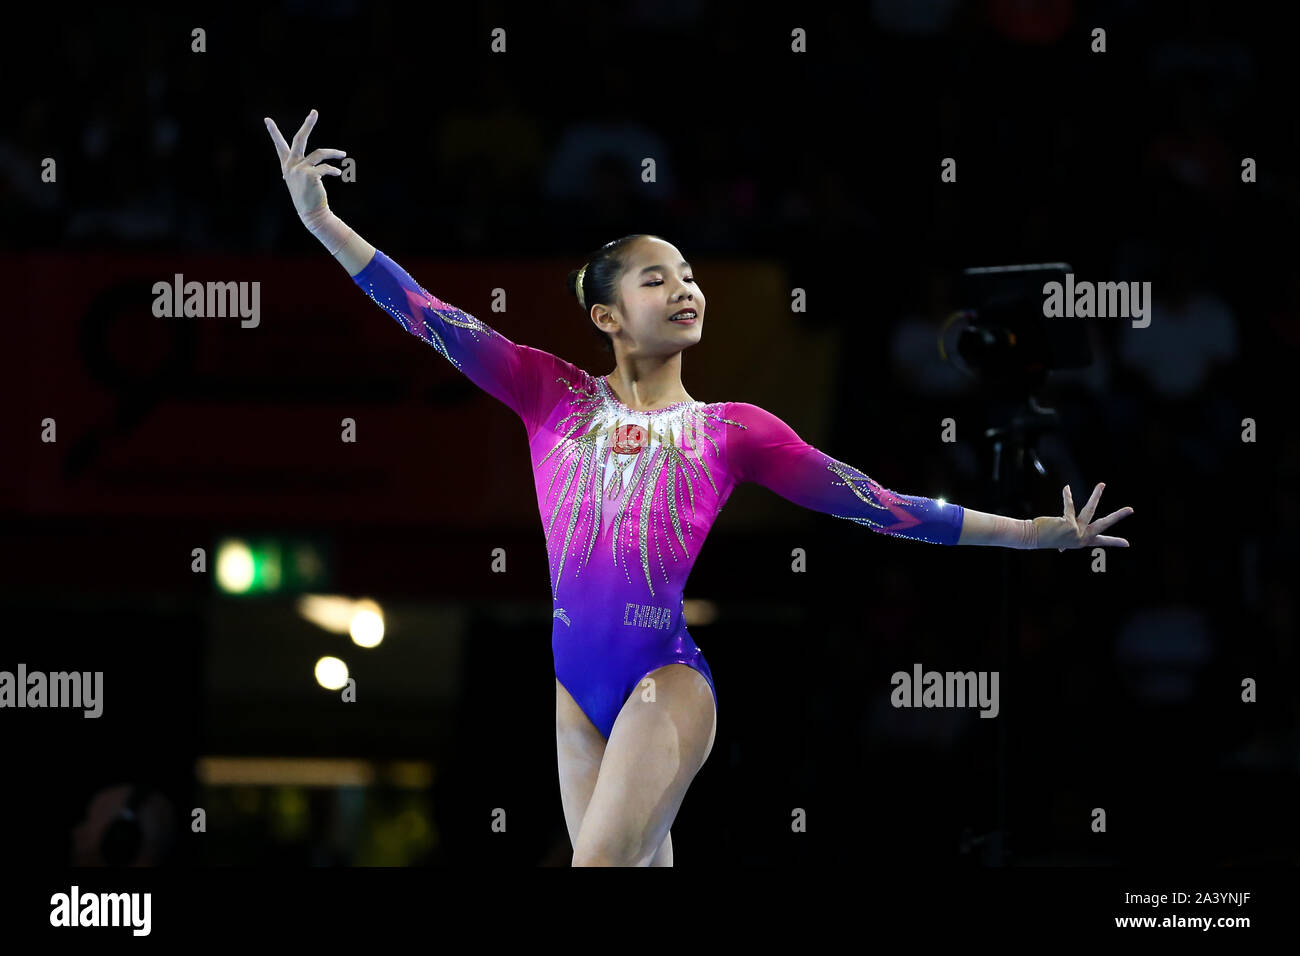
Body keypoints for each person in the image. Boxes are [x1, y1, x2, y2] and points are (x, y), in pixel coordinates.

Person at [265, 109, 1135, 867]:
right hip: (575, 690)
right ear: (606, 317)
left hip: (664, 680)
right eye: (656, 278)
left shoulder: (732, 431)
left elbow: (878, 503)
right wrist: (323, 222)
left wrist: (1026, 533)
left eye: (688, 276)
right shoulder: (549, 392)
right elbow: (426, 313)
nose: (684, 289)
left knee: (598, 864)